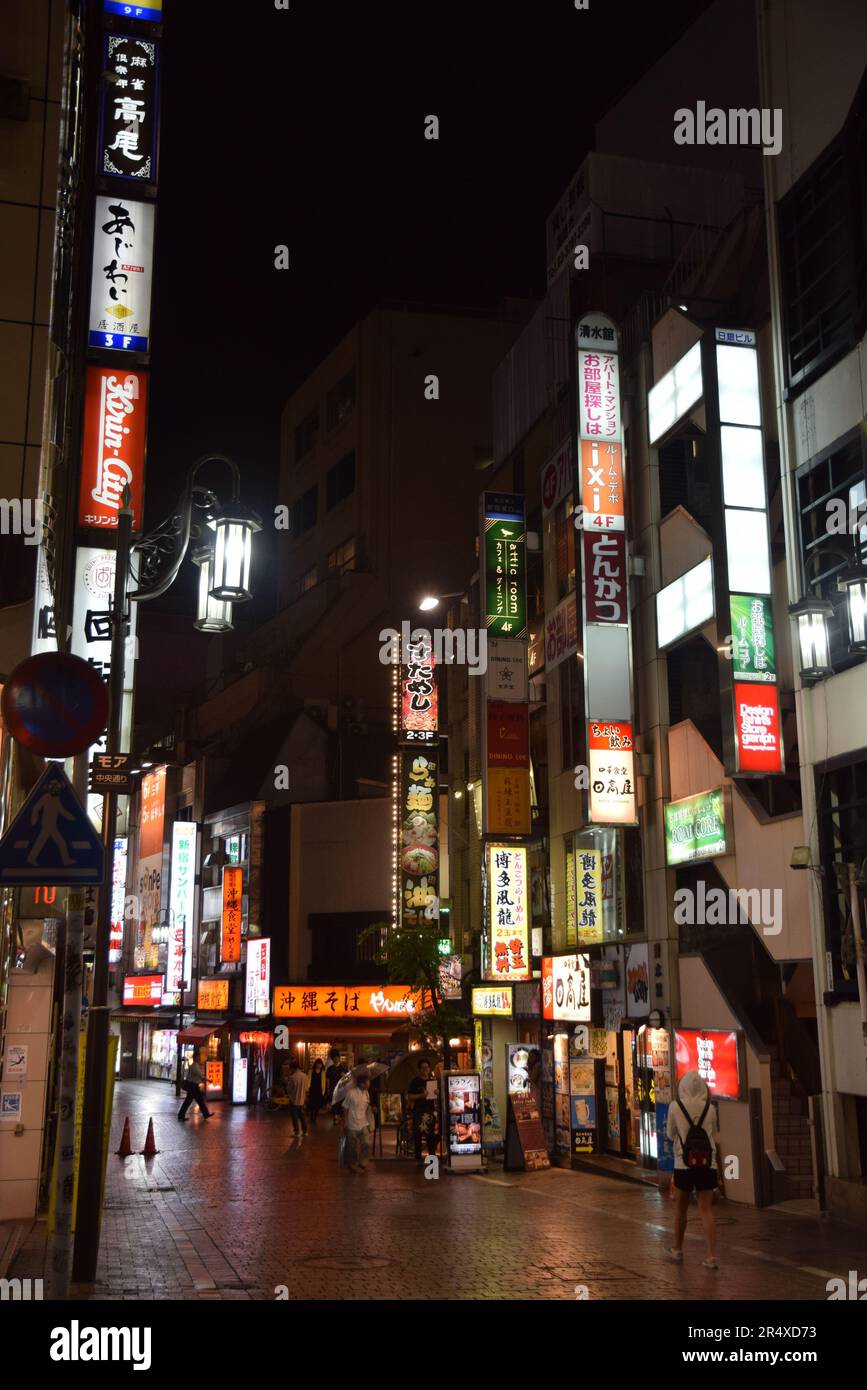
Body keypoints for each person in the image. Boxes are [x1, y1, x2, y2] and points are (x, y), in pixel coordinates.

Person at [665, 1069, 721, 1268]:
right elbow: (714, 1136)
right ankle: (711, 1255)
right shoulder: (710, 1108)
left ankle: (678, 1249)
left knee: (681, 1210)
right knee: (706, 1210)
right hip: (708, 1164)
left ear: (682, 1086)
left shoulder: (675, 1106)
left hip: (683, 1165)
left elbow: (670, 1134)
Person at [407, 1057, 439, 1163]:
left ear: (429, 1068)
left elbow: (436, 1096)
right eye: (423, 1067)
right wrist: (421, 1095)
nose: (425, 1069)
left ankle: (432, 1157)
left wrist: (437, 1093)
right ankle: (418, 1158)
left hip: (430, 1110)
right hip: (418, 1111)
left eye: (427, 1067)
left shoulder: (433, 1080)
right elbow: (410, 1096)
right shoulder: (415, 1081)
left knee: (431, 1135)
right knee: (418, 1135)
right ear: (419, 1069)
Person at [341, 1073, 372, 1173]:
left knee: (366, 1143)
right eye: (368, 1082)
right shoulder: (351, 1093)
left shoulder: (367, 1093)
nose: (369, 1083)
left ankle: (363, 1163)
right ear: (362, 1084)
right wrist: (345, 1123)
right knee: (352, 1146)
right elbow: (345, 1108)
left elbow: (366, 1108)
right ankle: (352, 1164)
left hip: (363, 1123)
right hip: (352, 1124)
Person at [178, 1053, 213, 1120]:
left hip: (193, 1086)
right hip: (193, 1086)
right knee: (194, 1101)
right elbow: (200, 1075)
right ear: (196, 1058)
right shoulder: (194, 1066)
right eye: (199, 1057)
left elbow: (200, 1075)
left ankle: (205, 1114)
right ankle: (181, 1115)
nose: (200, 1059)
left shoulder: (195, 1065)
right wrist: (208, 1080)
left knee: (197, 1101)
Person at [286, 1059, 309, 1136]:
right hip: (302, 1100)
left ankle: (296, 1132)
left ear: (293, 1068)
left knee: (295, 1117)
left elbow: (289, 1089)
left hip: (294, 1100)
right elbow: (306, 1089)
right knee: (302, 1116)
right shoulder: (305, 1076)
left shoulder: (293, 1077)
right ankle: (305, 1131)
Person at [325, 1048, 345, 1124]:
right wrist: (328, 1090)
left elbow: (346, 1080)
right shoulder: (330, 1069)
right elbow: (327, 1080)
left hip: (341, 1090)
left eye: (337, 1058)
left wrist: (344, 1076)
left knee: (340, 1104)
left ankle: (338, 1117)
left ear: (339, 1058)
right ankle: (336, 1117)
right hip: (333, 1089)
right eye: (334, 1058)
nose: (335, 1059)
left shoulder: (343, 1068)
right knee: (334, 1104)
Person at [307, 1058, 327, 1126]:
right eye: (318, 1064)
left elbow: (324, 1082)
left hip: (319, 1090)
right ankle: (312, 1117)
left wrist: (323, 1091)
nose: (319, 1065)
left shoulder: (323, 1072)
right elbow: (309, 1080)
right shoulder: (311, 1071)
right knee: (312, 1105)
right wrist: (307, 1088)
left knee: (317, 1105)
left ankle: (314, 1118)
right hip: (312, 1089)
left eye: (320, 1064)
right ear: (315, 1064)